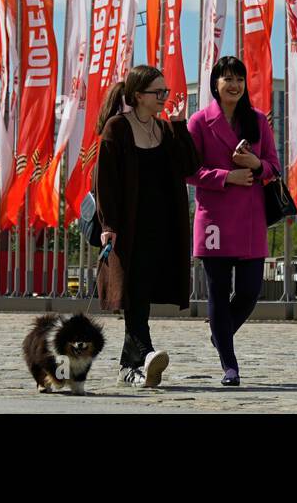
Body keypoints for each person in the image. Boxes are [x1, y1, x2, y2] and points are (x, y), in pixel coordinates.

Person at [94, 64, 200, 388]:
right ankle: (146, 354)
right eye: (158, 92)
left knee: (142, 295)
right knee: (134, 293)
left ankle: (130, 366)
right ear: (138, 95)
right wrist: (108, 224)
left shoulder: (165, 129)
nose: (164, 98)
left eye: (165, 92)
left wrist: (180, 125)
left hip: (163, 230)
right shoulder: (117, 128)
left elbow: (190, 166)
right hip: (128, 230)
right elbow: (105, 183)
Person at [187, 56, 282, 385]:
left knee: (250, 292)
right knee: (217, 291)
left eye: (239, 78)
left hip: (251, 218)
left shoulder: (258, 120)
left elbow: (273, 166)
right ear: (215, 83)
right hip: (214, 219)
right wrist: (227, 176)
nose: (234, 84)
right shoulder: (199, 122)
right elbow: (189, 171)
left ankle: (220, 332)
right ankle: (230, 365)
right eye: (227, 78)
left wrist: (256, 164)